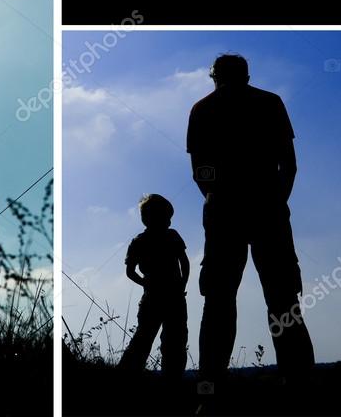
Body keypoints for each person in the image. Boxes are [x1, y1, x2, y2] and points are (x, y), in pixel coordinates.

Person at [187, 54, 314, 401]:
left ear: (214, 76)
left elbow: (200, 169)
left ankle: (210, 388)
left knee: (218, 302)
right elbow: (288, 164)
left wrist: (215, 197)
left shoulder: (202, 108)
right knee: (283, 300)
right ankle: (299, 385)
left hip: (225, 215)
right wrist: (277, 201)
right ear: (246, 74)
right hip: (267, 211)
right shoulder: (269, 102)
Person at [117, 193, 190, 380]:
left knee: (155, 338)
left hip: (159, 297)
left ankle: (128, 376)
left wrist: (147, 283)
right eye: (167, 217)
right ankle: (167, 379)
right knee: (167, 340)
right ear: (149, 218)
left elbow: (130, 271)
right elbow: (185, 262)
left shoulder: (140, 241)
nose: (169, 222)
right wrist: (181, 283)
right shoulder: (161, 238)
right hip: (166, 298)